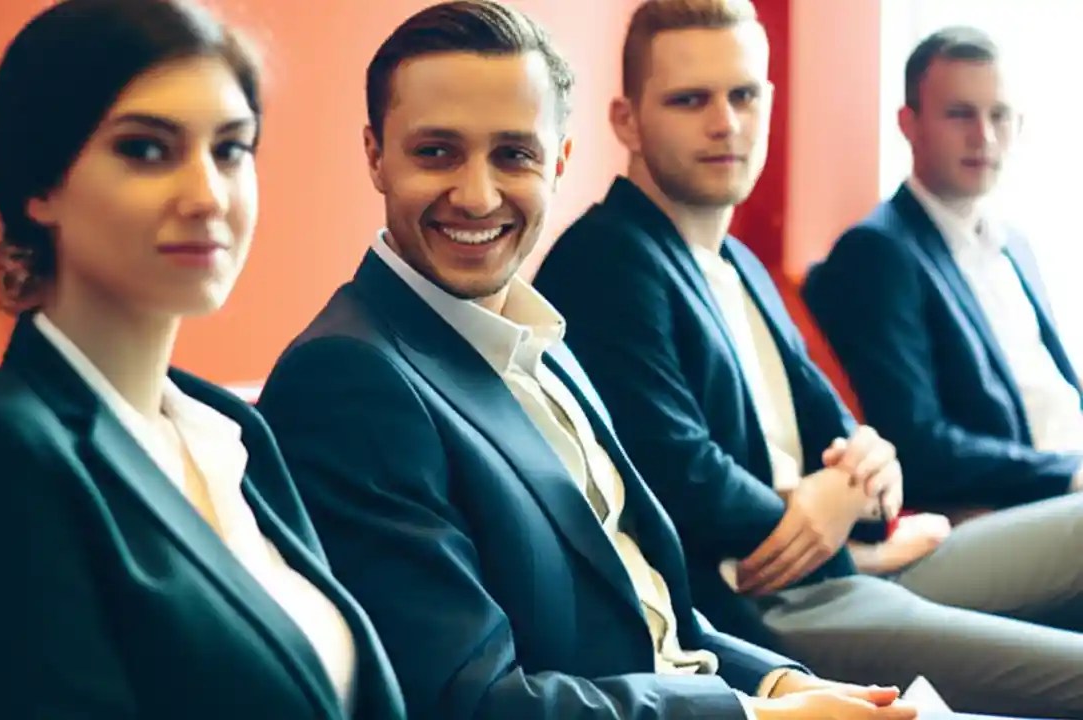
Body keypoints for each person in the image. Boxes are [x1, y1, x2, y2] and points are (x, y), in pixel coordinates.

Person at [258, 2, 921, 719]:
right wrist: (758, 718)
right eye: (437, 152)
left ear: (560, 162)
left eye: (514, 154)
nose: (477, 195)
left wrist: (782, 685)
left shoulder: (545, 338)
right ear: (375, 155)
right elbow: (470, 702)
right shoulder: (348, 378)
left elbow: (660, 614)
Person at [533, 1, 1083, 716]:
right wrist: (838, 520)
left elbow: (853, 438)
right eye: (690, 99)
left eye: (744, 95)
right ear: (626, 121)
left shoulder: (737, 261)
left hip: (851, 566)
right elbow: (683, 477)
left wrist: (860, 488)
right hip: (768, 609)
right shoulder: (607, 258)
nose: (726, 122)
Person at [0, 2, 405, 718]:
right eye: (147, 149)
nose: (207, 196)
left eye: (230, 149)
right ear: (41, 185)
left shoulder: (228, 427)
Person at [804, 28, 1083, 525]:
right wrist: (1067, 472)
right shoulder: (878, 252)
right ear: (908, 124)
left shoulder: (1014, 245)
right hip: (1007, 508)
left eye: (998, 115)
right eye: (960, 114)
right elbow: (920, 445)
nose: (984, 137)